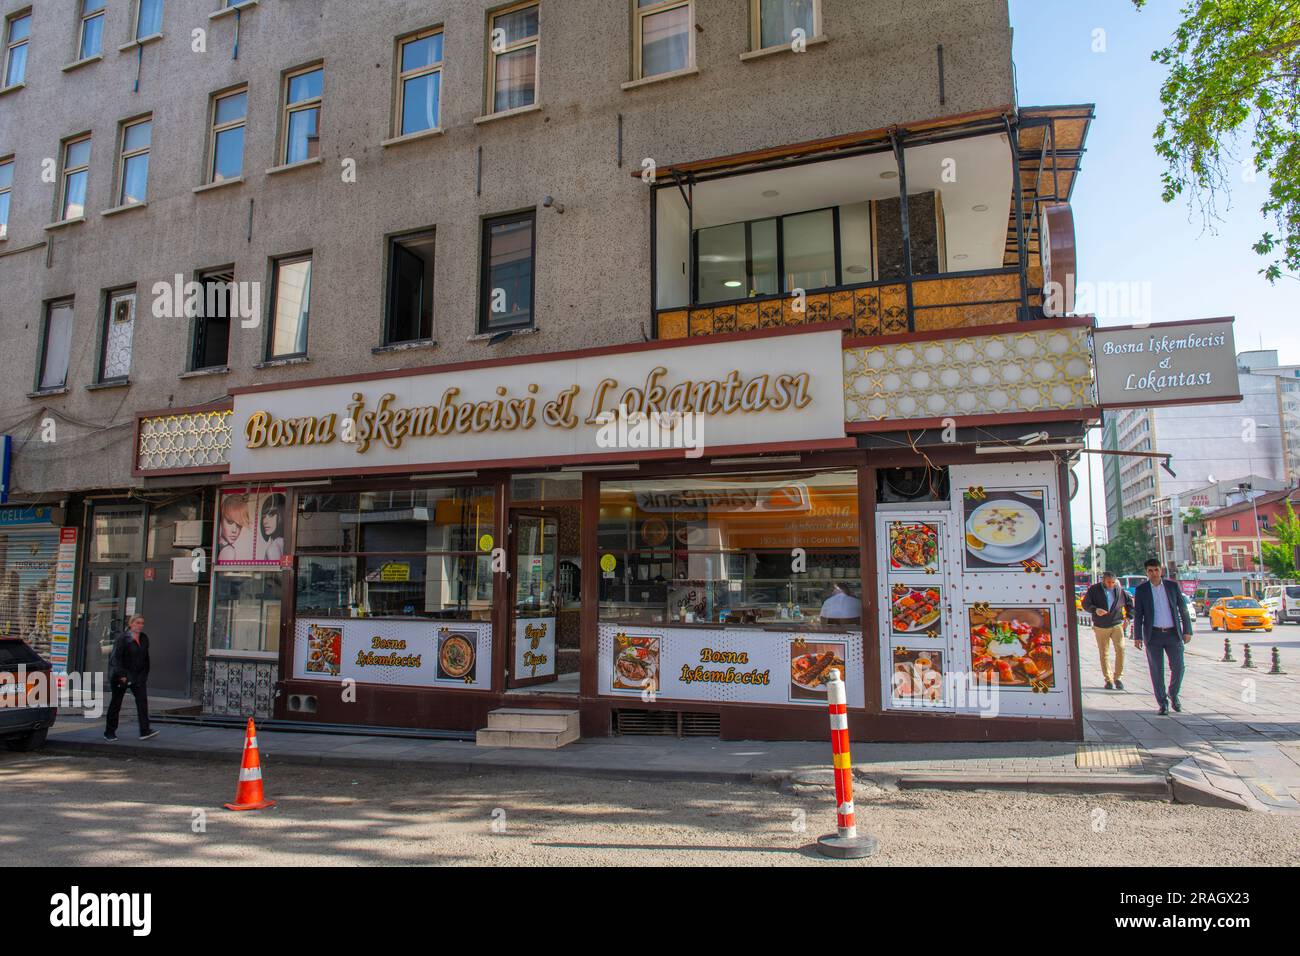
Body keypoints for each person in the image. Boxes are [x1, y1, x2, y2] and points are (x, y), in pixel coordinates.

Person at [1131, 558, 1193, 716]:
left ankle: (1173, 693)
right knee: (1156, 670)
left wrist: (1187, 630)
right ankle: (1162, 703)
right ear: (1146, 572)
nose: (1154, 573)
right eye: (1150, 571)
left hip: (1173, 634)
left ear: (1161, 570)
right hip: (1153, 636)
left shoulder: (1172, 586)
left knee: (1179, 667)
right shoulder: (1142, 590)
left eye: (1156, 570)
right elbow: (1138, 615)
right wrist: (1137, 636)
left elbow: (1182, 608)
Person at [104, 614, 159, 741]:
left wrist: (144, 675)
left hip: (137, 676)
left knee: (142, 702)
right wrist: (122, 675)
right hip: (121, 676)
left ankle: (144, 731)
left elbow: (145, 658)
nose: (140, 625)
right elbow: (116, 659)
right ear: (131, 624)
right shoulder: (123, 639)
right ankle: (109, 731)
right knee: (116, 703)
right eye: (137, 623)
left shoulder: (144, 638)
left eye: (142, 623)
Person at [1081, 570, 1134, 690]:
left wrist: (1129, 617)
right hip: (1100, 625)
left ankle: (1118, 678)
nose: (1111, 585)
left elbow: (1130, 604)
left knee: (1120, 649)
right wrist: (1095, 610)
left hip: (1116, 624)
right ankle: (1108, 679)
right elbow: (1085, 604)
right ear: (1103, 580)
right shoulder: (1094, 590)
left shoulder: (1120, 591)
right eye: (1108, 582)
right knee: (1104, 652)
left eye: (1113, 582)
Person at [258, 493, 286, 561]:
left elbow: (276, 571)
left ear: (281, 514)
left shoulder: (273, 548)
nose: (265, 521)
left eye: (271, 514)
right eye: (264, 516)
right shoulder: (284, 542)